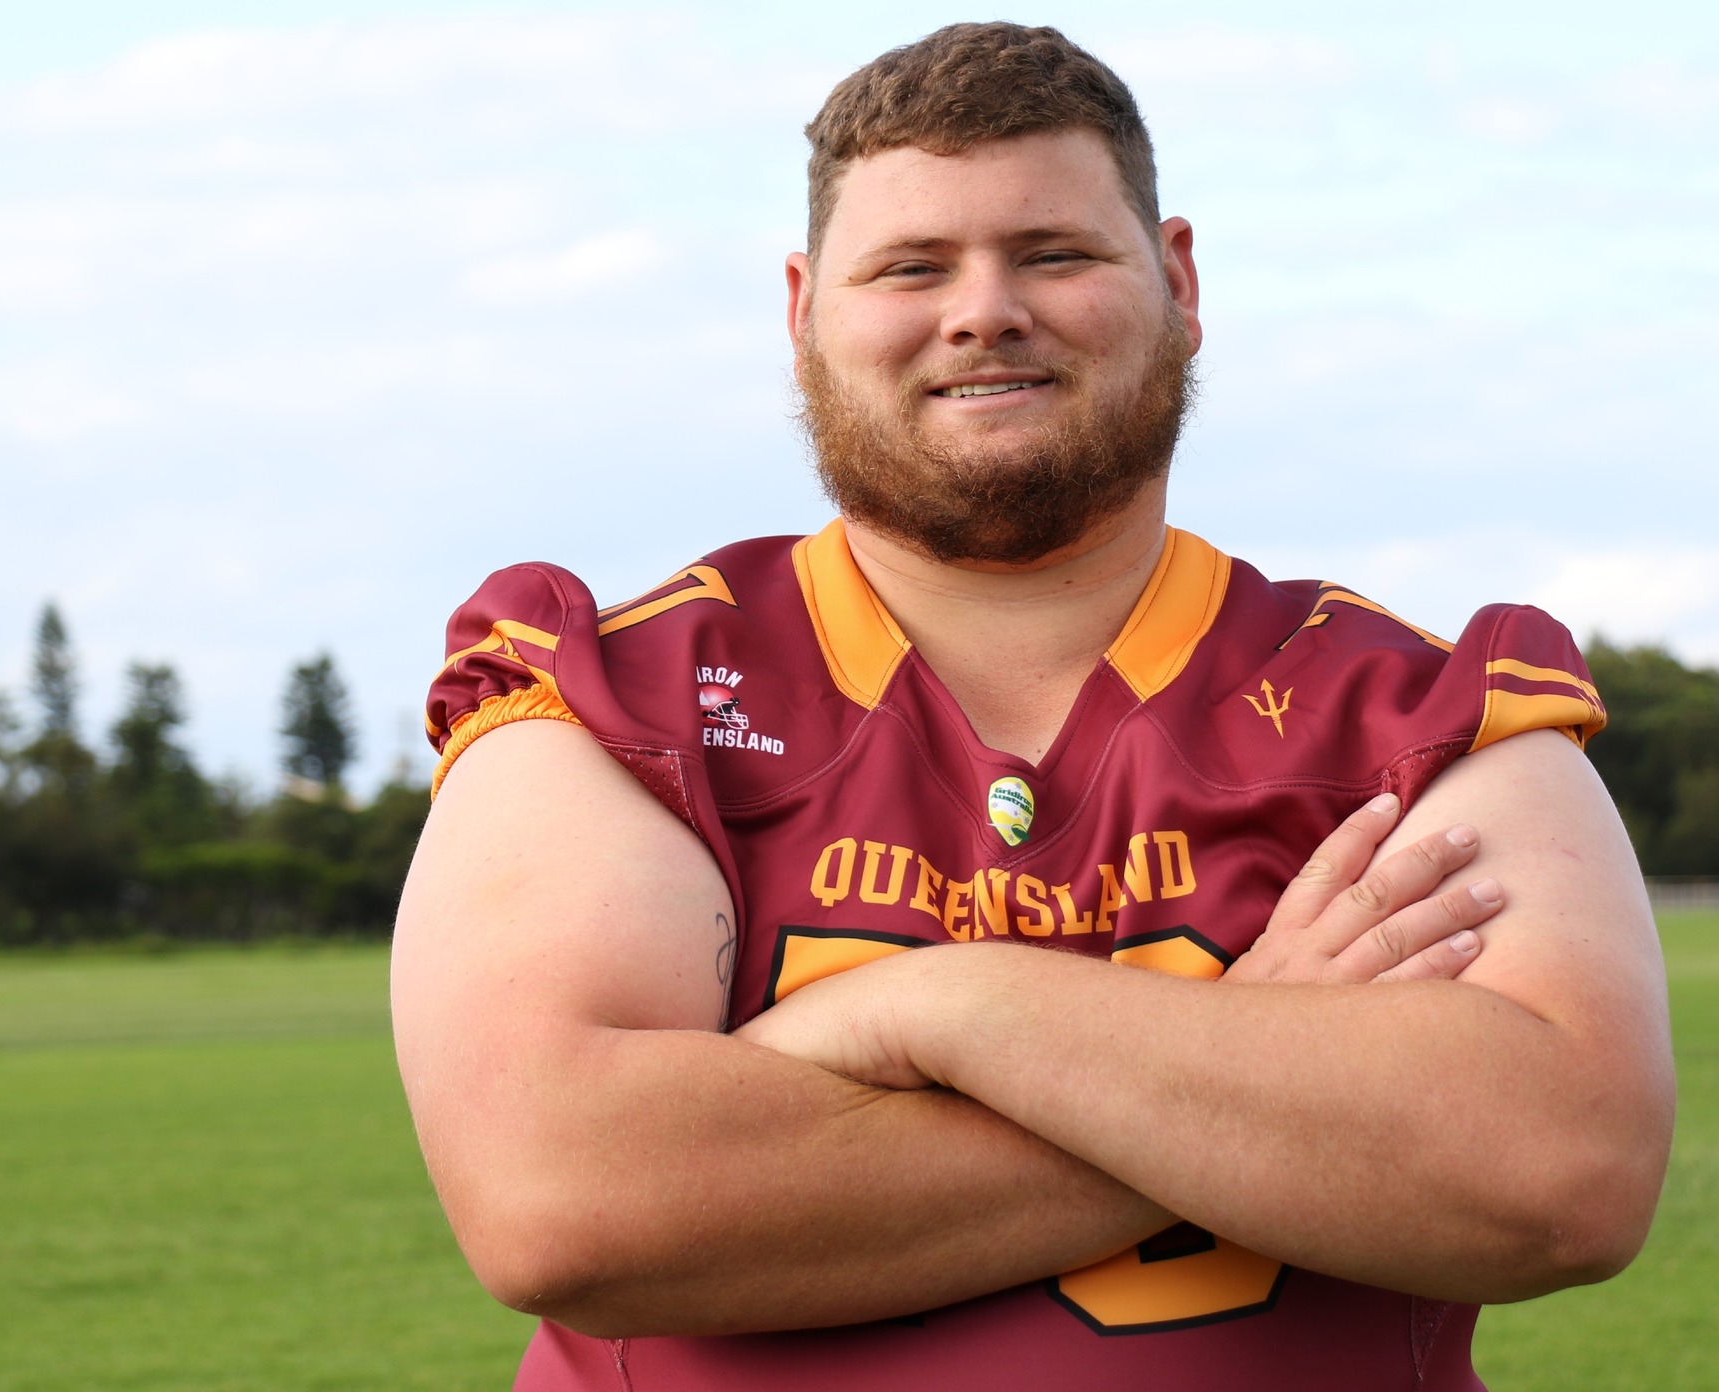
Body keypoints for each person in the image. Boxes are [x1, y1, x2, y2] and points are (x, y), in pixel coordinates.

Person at [391, 22, 1673, 1392]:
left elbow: (1557, 1178)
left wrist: (933, 1014)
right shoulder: (607, 693)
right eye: (911, 267)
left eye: (1055, 254)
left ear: (1177, 280)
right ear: (802, 307)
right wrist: (1247, 1060)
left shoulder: (1420, 712)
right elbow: (566, 1204)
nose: (984, 309)